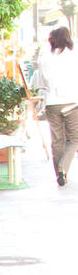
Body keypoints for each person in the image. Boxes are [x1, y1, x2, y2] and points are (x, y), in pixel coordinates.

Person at [38, 27, 78, 186]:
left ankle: (59, 174)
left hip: (52, 102)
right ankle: (63, 168)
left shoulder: (45, 58)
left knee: (57, 140)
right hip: (71, 101)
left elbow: (42, 81)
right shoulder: (73, 55)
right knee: (74, 139)